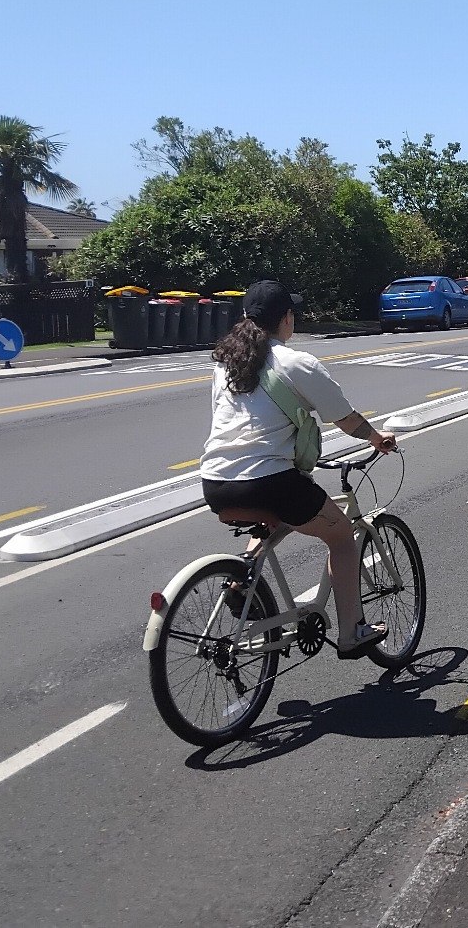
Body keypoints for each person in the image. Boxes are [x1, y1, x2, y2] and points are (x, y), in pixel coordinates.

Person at [201, 281, 397, 658]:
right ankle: (353, 632)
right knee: (341, 536)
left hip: (216, 482)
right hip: (270, 480)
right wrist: (376, 439)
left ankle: (241, 583)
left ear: (245, 318)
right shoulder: (295, 362)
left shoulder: (226, 363)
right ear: (286, 319)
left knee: (276, 518)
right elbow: (345, 419)